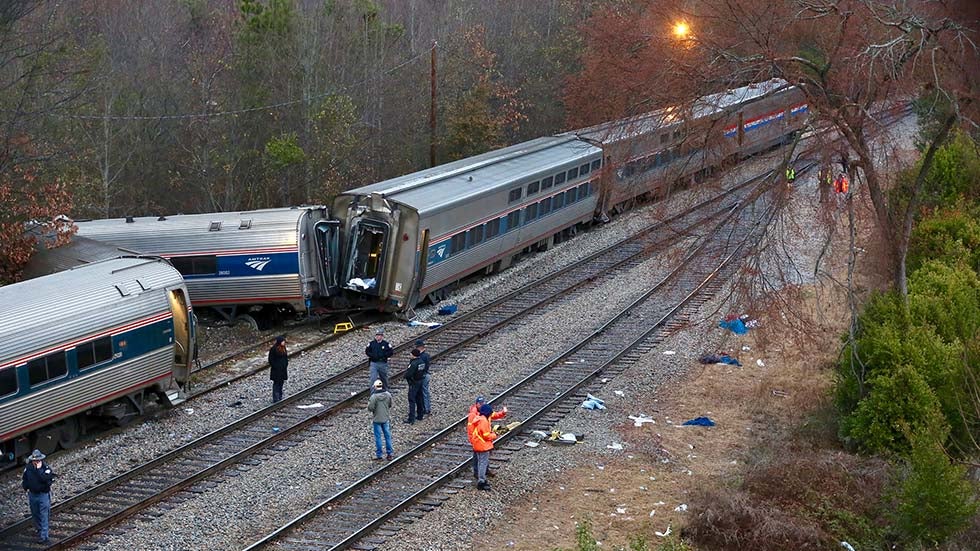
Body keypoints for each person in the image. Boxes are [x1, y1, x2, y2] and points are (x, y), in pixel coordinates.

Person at [22, 449, 56, 543]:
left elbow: (45, 478)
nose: (36, 462)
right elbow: (25, 479)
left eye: (38, 460)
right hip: (32, 495)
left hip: (43, 495)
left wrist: (38, 470)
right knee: (35, 514)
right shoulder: (28, 469)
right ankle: (39, 530)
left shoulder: (46, 468)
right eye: (34, 461)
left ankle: (44, 536)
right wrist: (26, 487)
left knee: (44, 515)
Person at [467, 396, 505, 479]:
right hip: (479, 439)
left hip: (483, 440)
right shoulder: (474, 415)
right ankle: (479, 475)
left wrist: (502, 413)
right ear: (476, 404)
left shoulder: (484, 411)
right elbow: (471, 429)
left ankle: (484, 471)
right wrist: (472, 440)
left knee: (483, 458)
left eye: (483, 403)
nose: (481, 405)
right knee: (479, 459)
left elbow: (493, 415)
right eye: (480, 403)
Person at [468, 403, 497, 490]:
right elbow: (486, 435)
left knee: (480, 462)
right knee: (483, 463)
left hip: (477, 444)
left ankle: (481, 479)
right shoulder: (484, 421)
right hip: (483, 445)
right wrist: (494, 435)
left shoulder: (478, 419)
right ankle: (481, 481)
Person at [367, 379, 394, 460]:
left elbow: (370, 408)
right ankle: (389, 454)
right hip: (385, 418)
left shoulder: (373, 397)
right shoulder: (388, 395)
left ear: (375, 387)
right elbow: (390, 404)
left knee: (378, 437)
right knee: (387, 436)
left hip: (377, 419)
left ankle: (379, 455)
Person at [403, 349, 425, 423]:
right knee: (419, 398)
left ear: (413, 355)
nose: (410, 355)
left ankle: (411, 418)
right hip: (420, 381)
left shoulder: (413, 364)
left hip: (413, 382)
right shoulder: (421, 362)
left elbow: (409, 374)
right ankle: (420, 415)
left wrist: (405, 376)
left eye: (411, 354)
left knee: (412, 399)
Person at [414, 339, 432, 414]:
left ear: (419, 347)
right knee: (425, 392)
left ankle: (425, 408)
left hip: (423, 376)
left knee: (424, 392)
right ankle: (426, 407)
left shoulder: (422, 356)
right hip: (426, 375)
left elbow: (422, 367)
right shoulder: (426, 355)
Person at [268, 335, 288, 403]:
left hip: (282, 370)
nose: (284, 342)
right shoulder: (273, 349)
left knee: (281, 383)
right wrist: (275, 366)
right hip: (276, 370)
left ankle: (280, 396)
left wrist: (285, 364)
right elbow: (271, 359)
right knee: (276, 383)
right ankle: (276, 398)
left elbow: (285, 358)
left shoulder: (284, 348)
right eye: (283, 341)